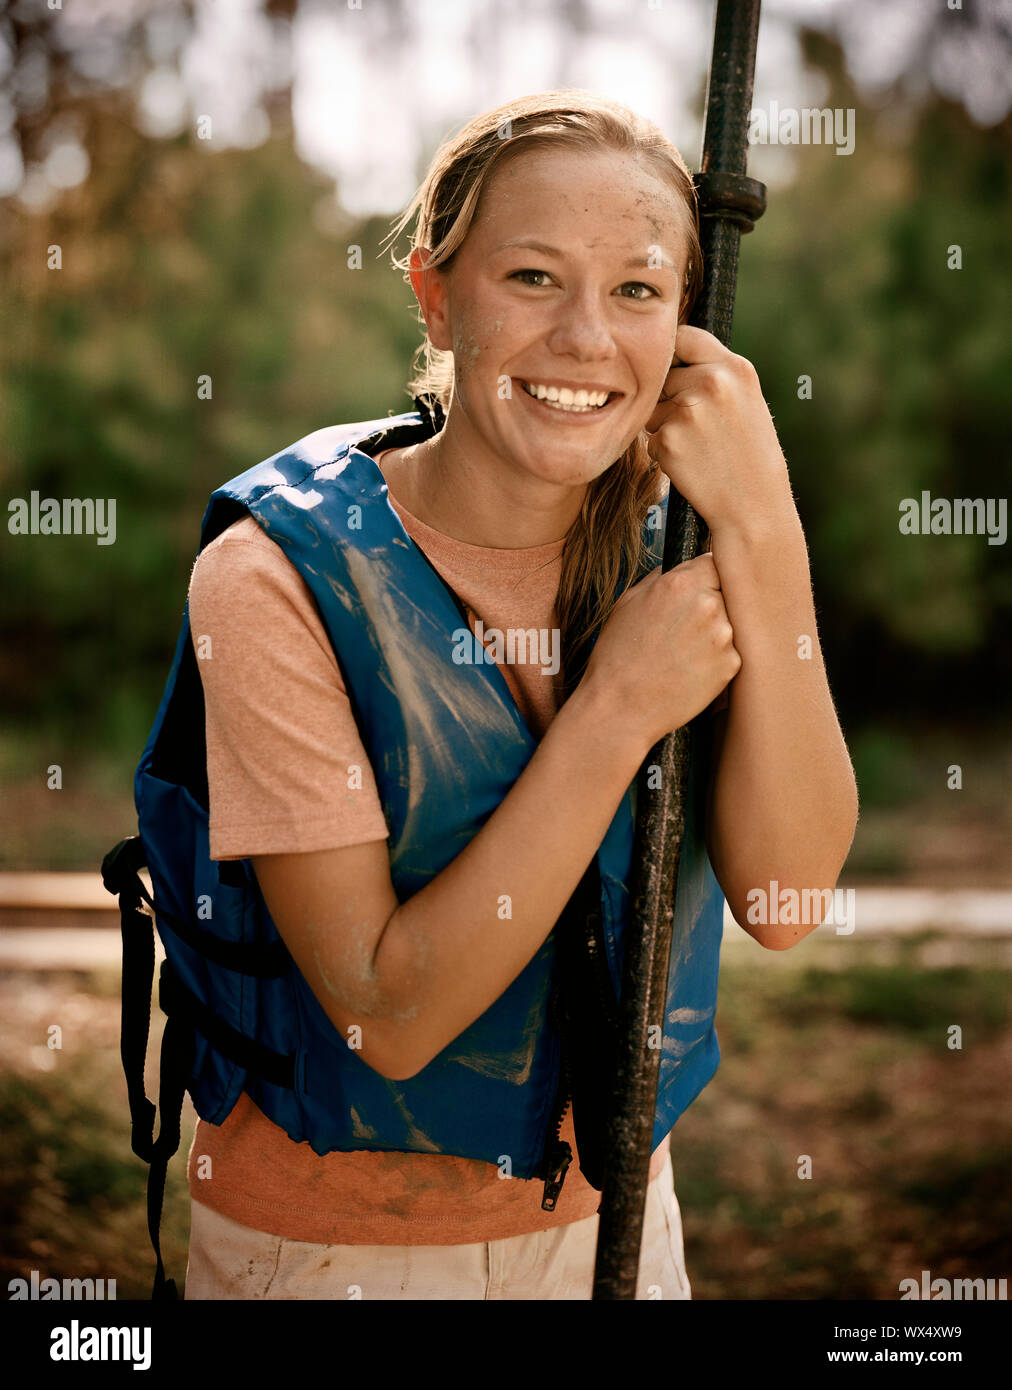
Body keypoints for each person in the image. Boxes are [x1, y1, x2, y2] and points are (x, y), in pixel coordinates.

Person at [180, 90, 858, 1301]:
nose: (588, 339)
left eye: (639, 291)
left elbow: (789, 895)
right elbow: (384, 1016)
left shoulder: (686, 548)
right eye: (533, 278)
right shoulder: (274, 577)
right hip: (337, 1249)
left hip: (619, 1220)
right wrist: (613, 710)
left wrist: (765, 523)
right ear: (436, 295)